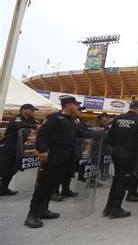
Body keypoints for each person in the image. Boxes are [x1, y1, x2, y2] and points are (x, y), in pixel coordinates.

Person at [24, 97, 81, 229]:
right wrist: (42, 150)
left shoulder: (72, 120)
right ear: (68, 105)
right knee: (43, 184)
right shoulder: (54, 118)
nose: (77, 107)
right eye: (75, 105)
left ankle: (44, 209)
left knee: (52, 184)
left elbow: (80, 133)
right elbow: (42, 134)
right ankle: (32, 215)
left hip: (64, 157)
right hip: (52, 156)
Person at [102, 101, 138, 219]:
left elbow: (108, 138)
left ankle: (108, 207)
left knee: (117, 178)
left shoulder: (118, 119)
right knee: (123, 180)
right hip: (128, 154)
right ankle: (116, 208)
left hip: (116, 152)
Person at [0, 104, 39, 196]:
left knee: (14, 168)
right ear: (24, 110)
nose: (33, 112)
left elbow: (36, 125)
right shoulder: (17, 118)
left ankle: (4, 188)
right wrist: (34, 126)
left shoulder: (31, 119)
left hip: (20, 146)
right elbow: (20, 125)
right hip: (10, 145)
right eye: (31, 110)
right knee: (5, 167)